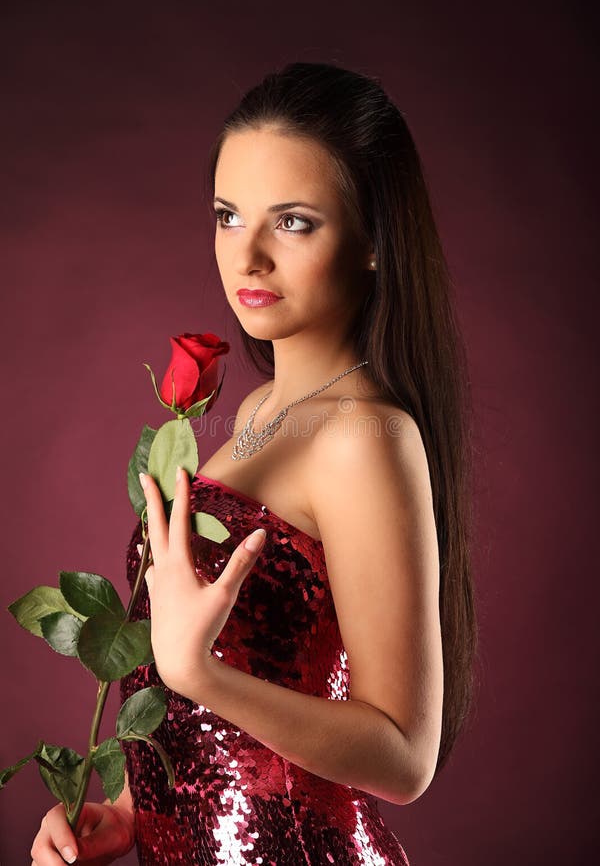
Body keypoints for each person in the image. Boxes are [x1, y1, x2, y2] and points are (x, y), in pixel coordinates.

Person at [31, 61, 477, 865]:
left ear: (375, 242)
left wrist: (200, 675)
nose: (249, 257)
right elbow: (223, 698)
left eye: (294, 222)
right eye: (229, 216)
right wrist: (133, 809)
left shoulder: (363, 437)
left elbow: (405, 755)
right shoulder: (262, 410)